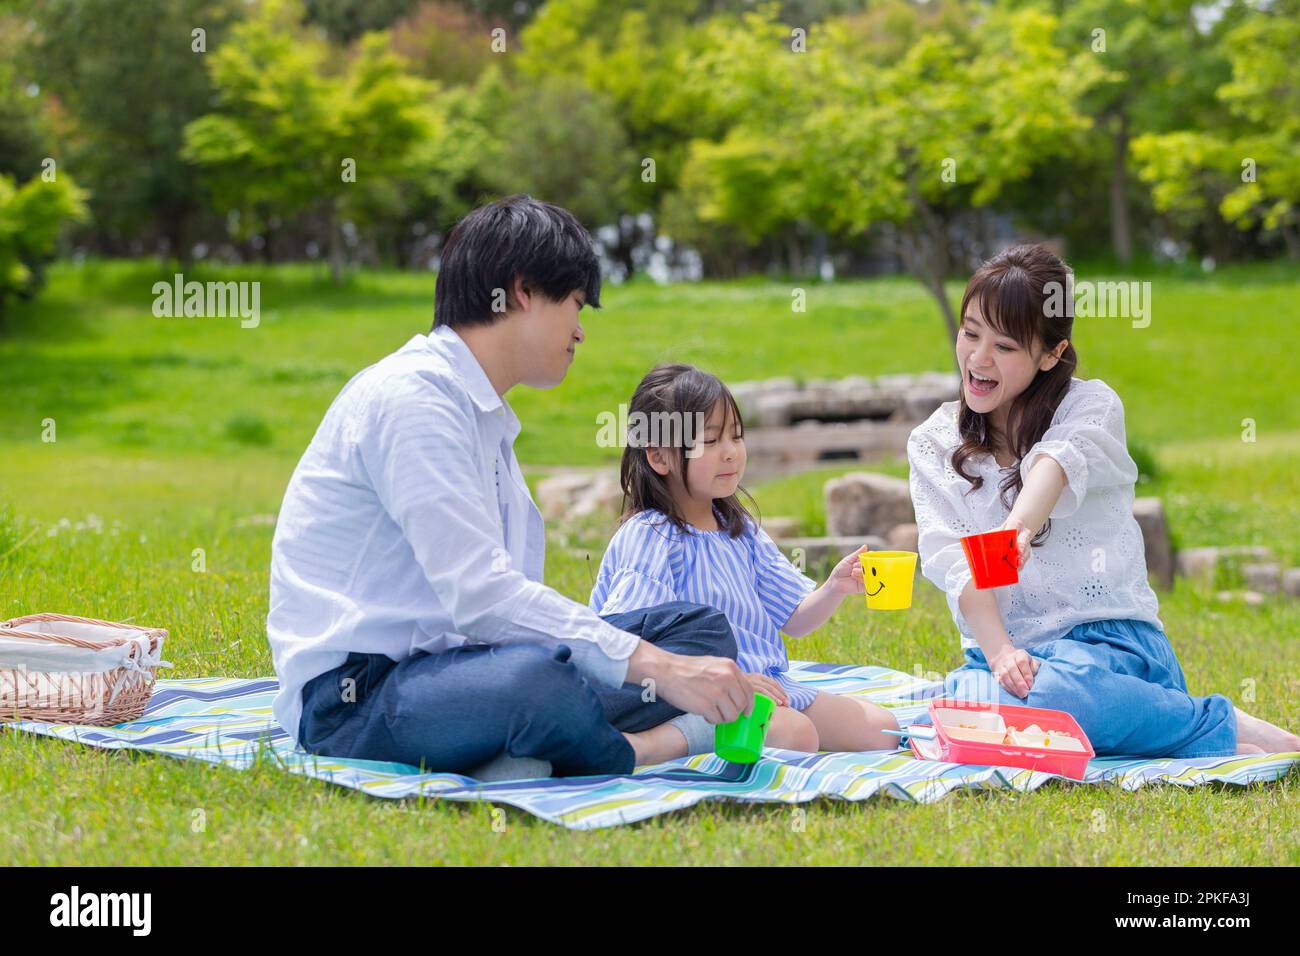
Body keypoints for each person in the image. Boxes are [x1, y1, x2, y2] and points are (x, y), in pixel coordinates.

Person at [266, 195, 752, 781]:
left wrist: (660, 659)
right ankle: (641, 748)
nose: (579, 332)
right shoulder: (412, 400)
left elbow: (507, 609)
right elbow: (482, 597)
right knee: (538, 681)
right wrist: (660, 671)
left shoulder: (485, 417)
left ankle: (530, 744)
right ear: (523, 291)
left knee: (697, 632)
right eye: (575, 305)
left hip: (461, 670)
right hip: (357, 698)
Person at [906, 243, 1299, 756]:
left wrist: (1017, 530)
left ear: (1052, 353)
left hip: (1108, 647)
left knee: (1055, 694)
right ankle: (1172, 726)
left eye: (1004, 346)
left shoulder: (1090, 406)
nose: (978, 359)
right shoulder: (934, 441)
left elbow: (1058, 462)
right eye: (971, 333)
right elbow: (956, 565)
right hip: (1000, 659)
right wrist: (1001, 652)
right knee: (965, 707)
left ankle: (1211, 726)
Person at [590, 363, 900, 754]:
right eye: (710, 440)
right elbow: (630, 640)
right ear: (659, 457)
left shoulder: (740, 530)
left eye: (736, 436)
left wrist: (834, 587)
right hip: (693, 691)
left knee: (884, 731)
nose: (731, 453)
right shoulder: (651, 536)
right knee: (796, 736)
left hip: (770, 684)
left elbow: (796, 618)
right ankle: (651, 745)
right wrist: (725, 681)